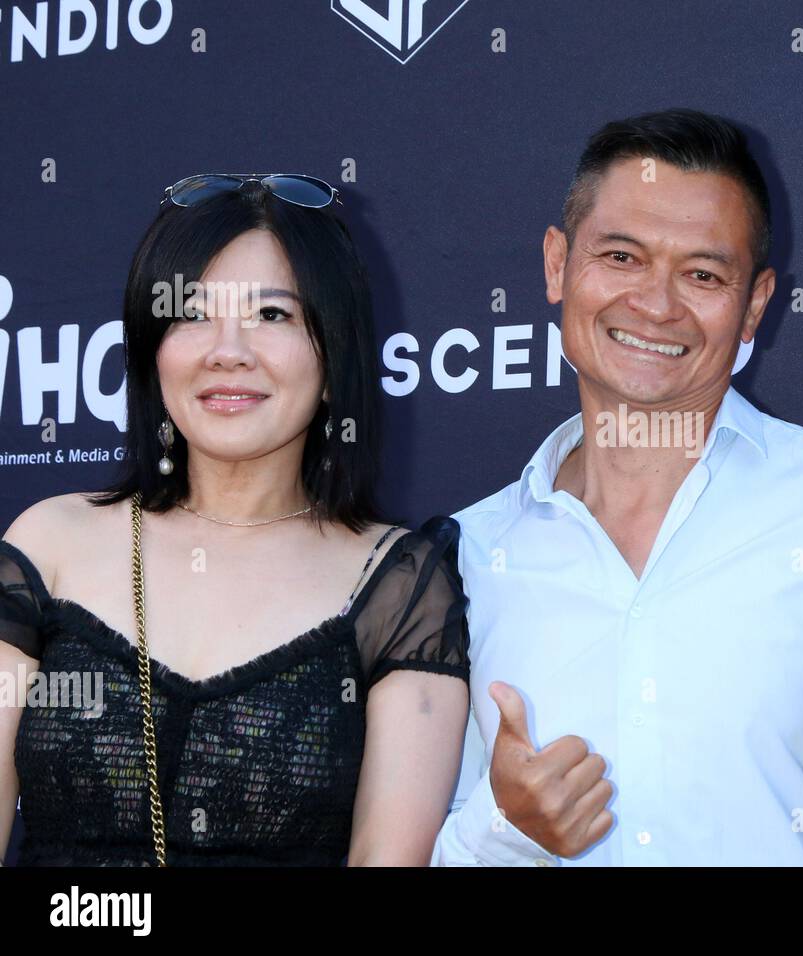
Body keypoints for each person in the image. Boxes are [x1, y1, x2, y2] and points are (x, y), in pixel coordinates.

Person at [432, 109, 803, 866]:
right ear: (557, 265)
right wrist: (504, 828)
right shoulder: (466, 555)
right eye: (622, 257)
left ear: (755, 303)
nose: (657, 304)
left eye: (702, 274)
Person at [0, 174, 470, 866]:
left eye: (272, 316)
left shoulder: (399, 588)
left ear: (334, 355)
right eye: (191, 312)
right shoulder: (47, 545)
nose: (227, 349)